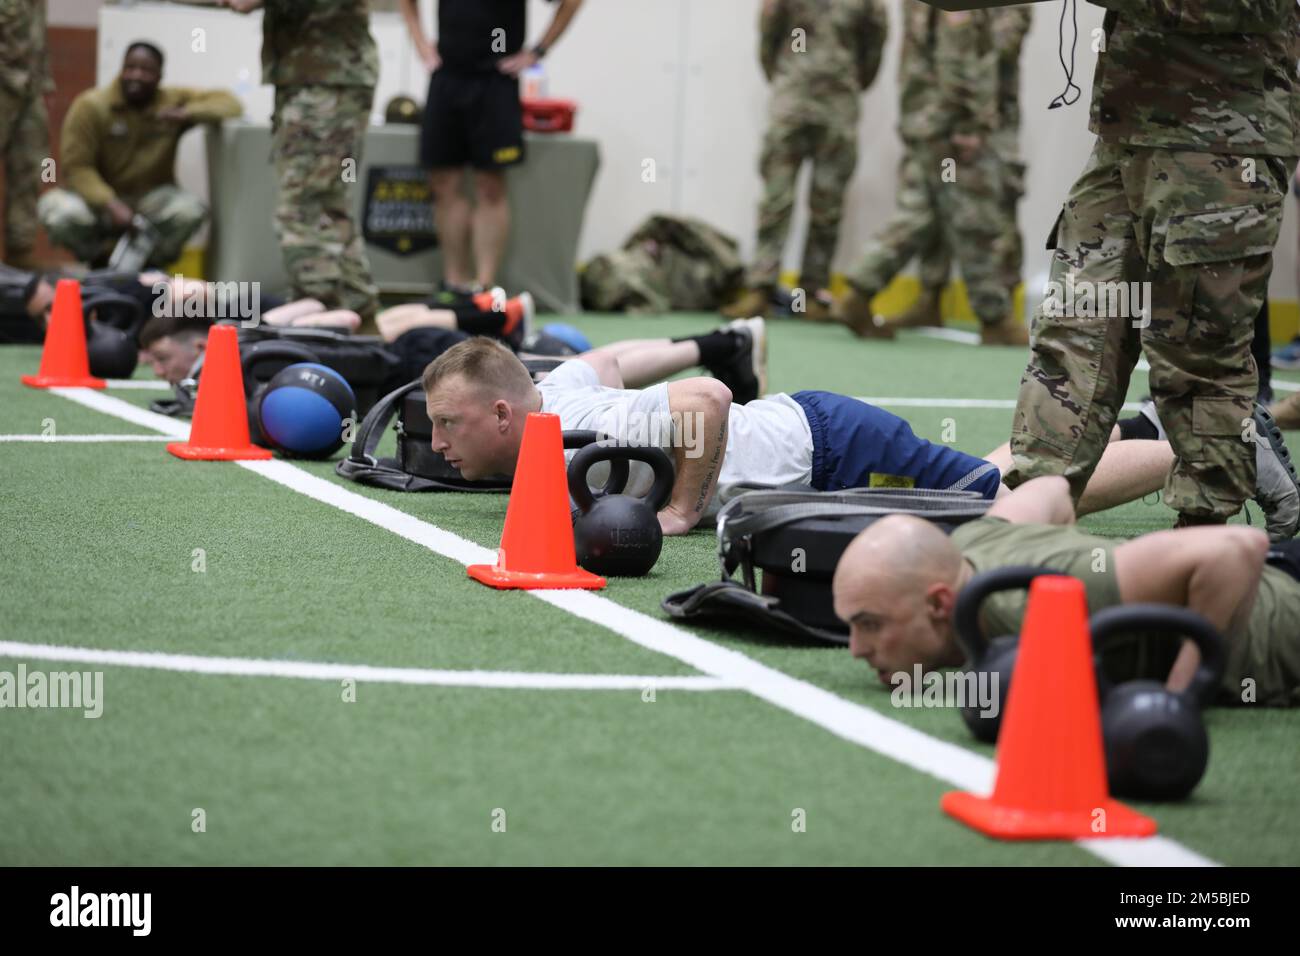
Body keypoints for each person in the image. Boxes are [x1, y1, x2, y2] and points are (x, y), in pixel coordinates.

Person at [415, 328, 1298, 537]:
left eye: (450, 427)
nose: (441, 446)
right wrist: (695, 337)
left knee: (1008, 505)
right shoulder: (552, 388)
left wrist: (683, 510)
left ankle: (1211, 447)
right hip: (817, 434)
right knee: (979, 481)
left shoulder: (560, 428)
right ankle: (1185, 421)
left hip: (831, 446)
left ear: (505, 412)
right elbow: (605, 358)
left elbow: (707, 400)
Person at [1004, 3, 1300, 533]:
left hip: (1221, 140)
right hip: (1126, 131)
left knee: (1196, 354)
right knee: (1073, 335)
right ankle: (1030, 519)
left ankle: (1201, 543)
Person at [831, 475, 1300, 706]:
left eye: (870, 625)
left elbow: (1238, 546)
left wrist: (1178, 699)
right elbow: (1051, 489)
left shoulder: (1048, 601)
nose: (855, 650)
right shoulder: (966, 547)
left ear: (939, 602)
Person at [832, 2, 1028, 345]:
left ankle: (860, 293)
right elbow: (959, 49)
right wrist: (968, 120)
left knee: (922, 208)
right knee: (971, 216)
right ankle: (994, 317)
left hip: (926, 113)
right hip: (949, 120)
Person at [397, 0, 585, 295]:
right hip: (447, 77)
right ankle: (454, 282)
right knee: (444, 183)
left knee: (490, 186)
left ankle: (484, 287)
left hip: (496, 81)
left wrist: (537, 52)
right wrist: (420, 42)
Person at [720, 0, 887, 323]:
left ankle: (812, 293)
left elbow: (874, 47)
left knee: (828, 207)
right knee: (775, 201)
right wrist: (788, 77)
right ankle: (760, 289)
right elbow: (768, 36)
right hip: (791, 104)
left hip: (839, 108)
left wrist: (846, 79)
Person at [221, 0, 380, 321]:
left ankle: (320, 313)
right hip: (312, 77)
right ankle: (357, 317)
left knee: (301, 206)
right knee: (328, 207)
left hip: (326, 78)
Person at [37, 42, 241, 268]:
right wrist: (110, 203)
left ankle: (146, 266)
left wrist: (187, 113)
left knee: (189, 211)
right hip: (99, 201)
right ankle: (99, 260)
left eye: (146, 70)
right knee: (58, 212)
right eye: (130, 67)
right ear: (122, 69)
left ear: (159, 75)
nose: (137, 75)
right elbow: (77, 168)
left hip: (149, 199)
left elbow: (231, 104)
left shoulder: (170, 101)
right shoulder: (91, 106)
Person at [892, 5, 1031, 331]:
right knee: (931, 203)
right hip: (930, 112)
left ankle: (1002, 308)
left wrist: (968, 114)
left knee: (992, 206)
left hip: (986, 114)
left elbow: (995, 46)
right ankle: (930, 297)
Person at [0, 0, 52, 270]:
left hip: (29, 88)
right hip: (3, 83)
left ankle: (20, 252)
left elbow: (36, 35)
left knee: (32, 167)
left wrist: (44, 80)